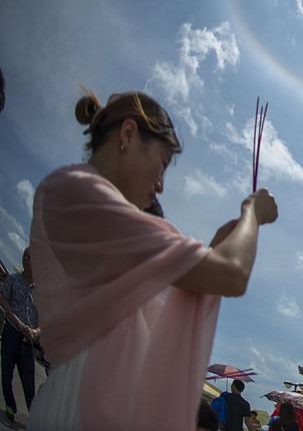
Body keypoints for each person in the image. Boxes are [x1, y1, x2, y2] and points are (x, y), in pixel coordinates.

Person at [27, 91, 279, 431]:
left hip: (91, 395)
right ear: (129, 134)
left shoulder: (75, 196)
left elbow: (166, 290)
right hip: (89, 403)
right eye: (162, 164)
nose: (160, 185)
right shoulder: (75, 188)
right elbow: (229, 274)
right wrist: (252, 216)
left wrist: (217, 245)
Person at [0, 247, 39, 424]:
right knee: (6, 374)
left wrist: (35, 332)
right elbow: (3, 301)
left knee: (29, 384)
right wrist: (19, 323)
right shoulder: (14, 280)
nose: (25, 259)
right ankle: (10, 407)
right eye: (25, 255)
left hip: (26, 342)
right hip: (10, 333)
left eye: (30, 257)